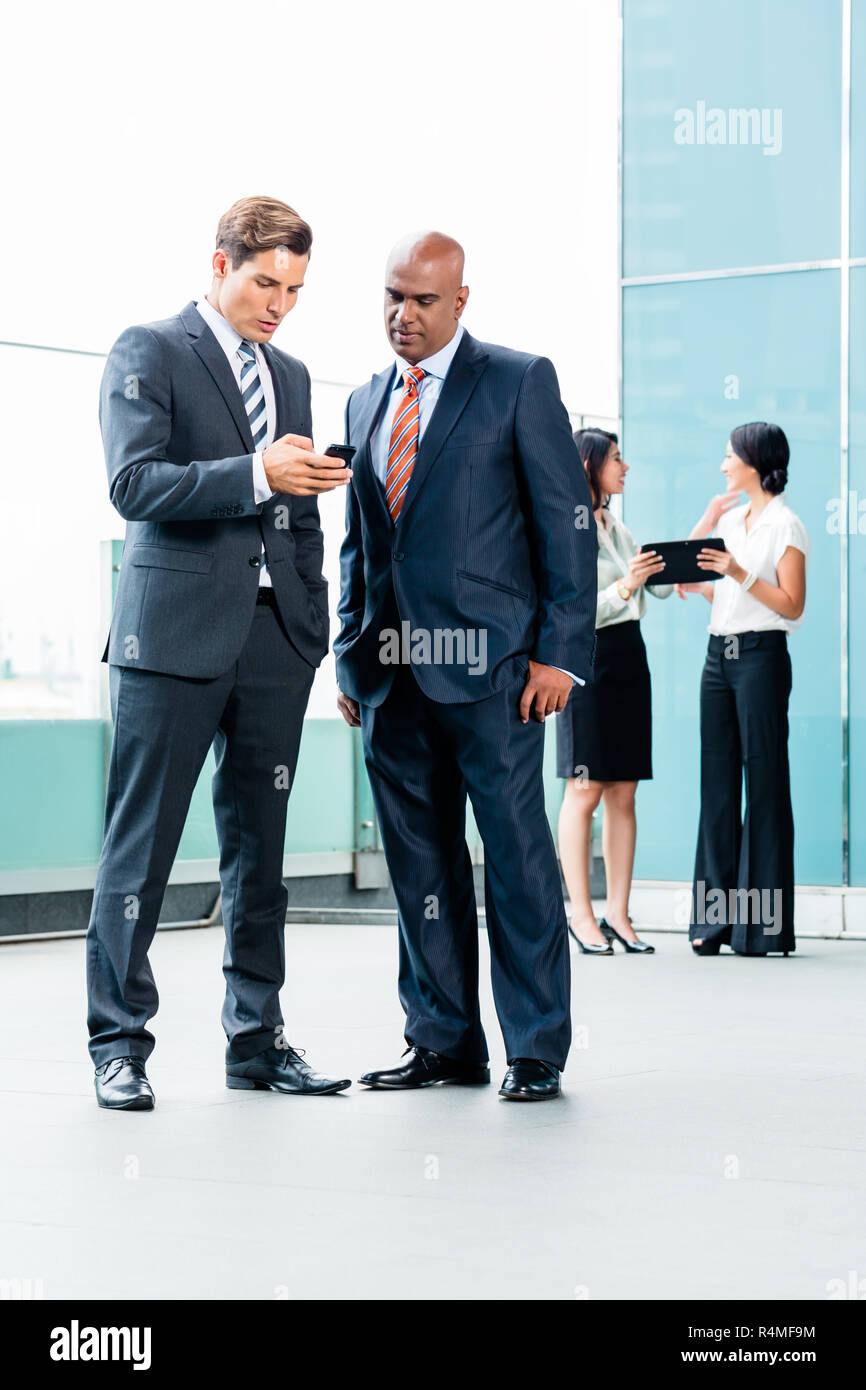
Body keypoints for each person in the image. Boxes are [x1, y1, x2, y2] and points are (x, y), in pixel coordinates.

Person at [86, 195, 353, 1109]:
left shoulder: (294, 373)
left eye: (295, 289)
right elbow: (134, 483)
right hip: (170, 640)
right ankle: (119, 1046)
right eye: (264, 282)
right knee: (142, 851)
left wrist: (311, 618)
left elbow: (302, 509)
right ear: (219, 265)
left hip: (274, 642)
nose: (280, 303)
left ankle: (256, 1041)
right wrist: (254, 474)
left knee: (261, 856)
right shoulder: (148, 349)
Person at [335, 231, 597, 1101]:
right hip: (392, 674)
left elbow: (566, 521)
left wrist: (560, 653)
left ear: (460, 302)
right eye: (391, 297)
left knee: (518, 859)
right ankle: (442, 1040)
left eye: (422, 301)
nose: (402, 315)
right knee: (419, 863)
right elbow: (360, 544)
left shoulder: (519, 381)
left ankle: (535, 1048)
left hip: (497, 675)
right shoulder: (365, 400)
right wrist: (347, 651)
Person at [680, 422, 807, 956]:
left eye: (731, 455)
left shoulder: (786, 526)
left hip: (760, 660)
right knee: (717, 789)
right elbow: (681, 571)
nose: (724, 463)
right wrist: (709, 521)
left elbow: (792, 606)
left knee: (765, 784)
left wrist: (736, 573)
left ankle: (763, 929)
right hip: (719, 658)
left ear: (754, 463)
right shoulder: (732, 519)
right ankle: (715, 926)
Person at [556, 429, 671, 954]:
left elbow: (659, 586)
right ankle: (580, 914)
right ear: (589, 463)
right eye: (617, 459)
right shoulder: (569, 522)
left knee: (624, 789)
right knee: (584, 789)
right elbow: (572, 607)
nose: (625, 468)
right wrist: (627, 585)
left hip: (628, 657)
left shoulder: (614, 524)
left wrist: (648, 573)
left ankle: (619, 916)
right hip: (587, 661)